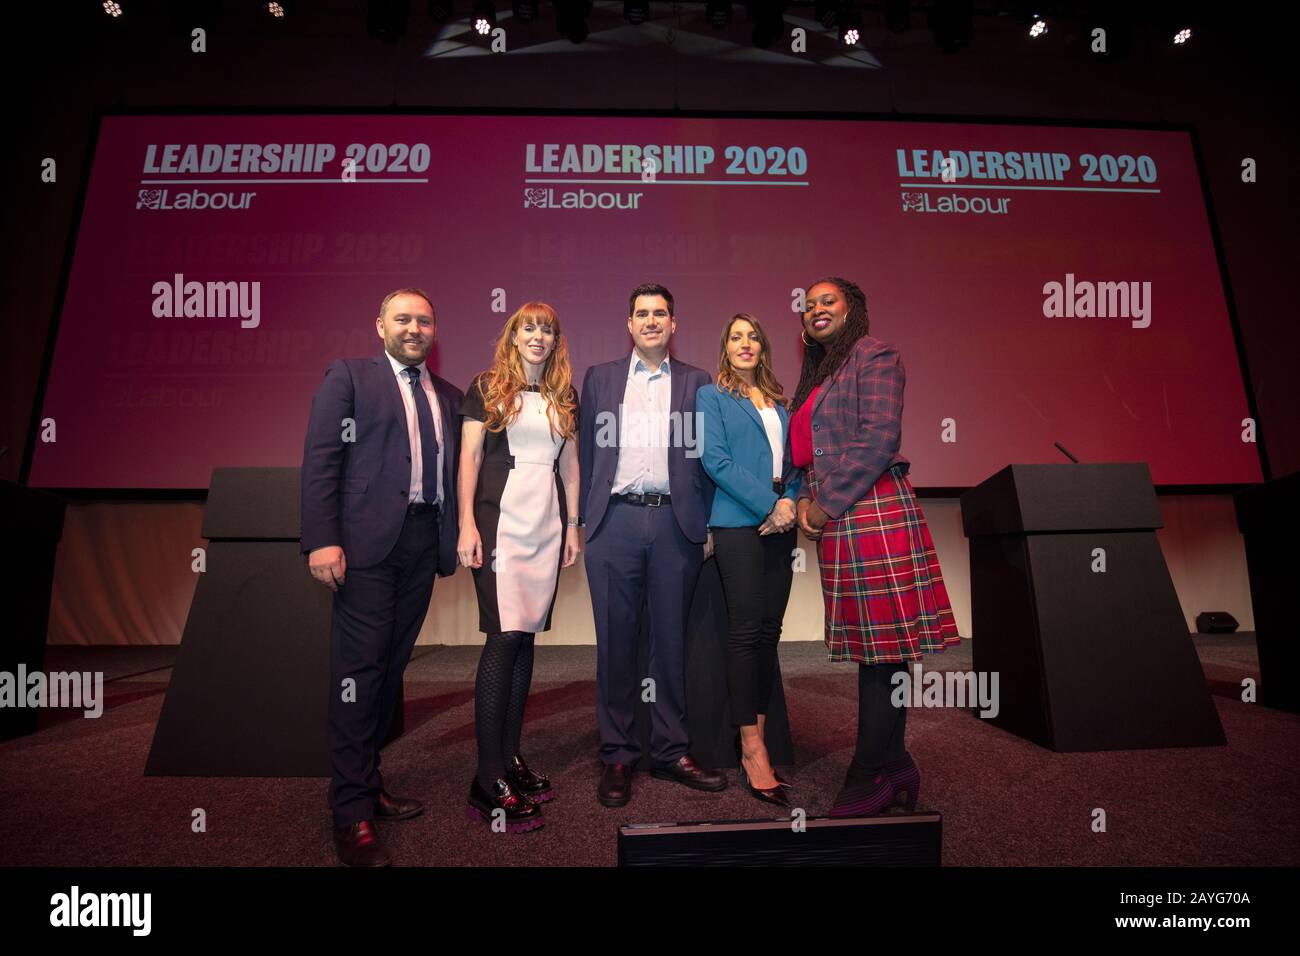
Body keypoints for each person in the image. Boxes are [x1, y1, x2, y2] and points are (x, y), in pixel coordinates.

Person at [301, 288, 462, 867]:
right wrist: (322, 538)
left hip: (421, 545)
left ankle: (366, 786)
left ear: (434, 330)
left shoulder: (449, 395)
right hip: (365, 548)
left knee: (389, 670)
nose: (414, 328)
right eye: (403, 319)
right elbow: (322, 459)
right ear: (380, 326)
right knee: (359, 674)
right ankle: (350, 812)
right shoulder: (348, 377)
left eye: (424, 319)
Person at [790, 276, 961, 817]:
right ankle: (894, 761)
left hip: (872, 509)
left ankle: (869, 773)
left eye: (828, 301)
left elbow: (880, 436)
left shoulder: (873, 353)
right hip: (843, 517)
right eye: (809, 304)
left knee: (882, 649)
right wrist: (805, 501)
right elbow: (806, 451)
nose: (817, 309)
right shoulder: (820, 373)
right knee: (878, 647)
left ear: (852, 310)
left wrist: (824, 504)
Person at [579, 282, 726, 807]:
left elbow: (707, 458)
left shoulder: (696, 381)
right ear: (629, 323)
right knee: (615, 644)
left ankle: (670, 751)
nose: (650, 321)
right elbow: (587, 458)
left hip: (674, 525)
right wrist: (583, 522)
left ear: (673, 324)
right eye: (640, 313)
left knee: (670, 643)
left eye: (659, 313)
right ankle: (618, 754)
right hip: (613, 523)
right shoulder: (598, 379)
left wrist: (704, 523)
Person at [457, 302, 581, 833]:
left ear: (555, 341)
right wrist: (466, 524)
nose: (538, 336)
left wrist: (573, 525)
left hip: (546, 523)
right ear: (513, 335)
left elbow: (571, 464)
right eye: (528, 327)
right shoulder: (485, 387)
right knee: (504, 639)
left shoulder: (563, 395)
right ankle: (486, 781)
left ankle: (509, 759)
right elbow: (468, 459)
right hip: (500, 521)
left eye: (547, 329)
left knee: (526, 638)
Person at [696, 313, 801, 807]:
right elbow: (716, 461)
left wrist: (791, 505)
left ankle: (756, 737)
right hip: (738, 520)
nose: (745, 343)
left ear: (763, 346)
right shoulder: (712, 397)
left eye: (753, 336)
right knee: (745, 630)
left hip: (783, 522)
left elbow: (796, 465)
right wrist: (770, 505)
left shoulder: (780, 401)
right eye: (735, 336)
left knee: (769, 632)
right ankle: (752, 749)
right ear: (725, 346)